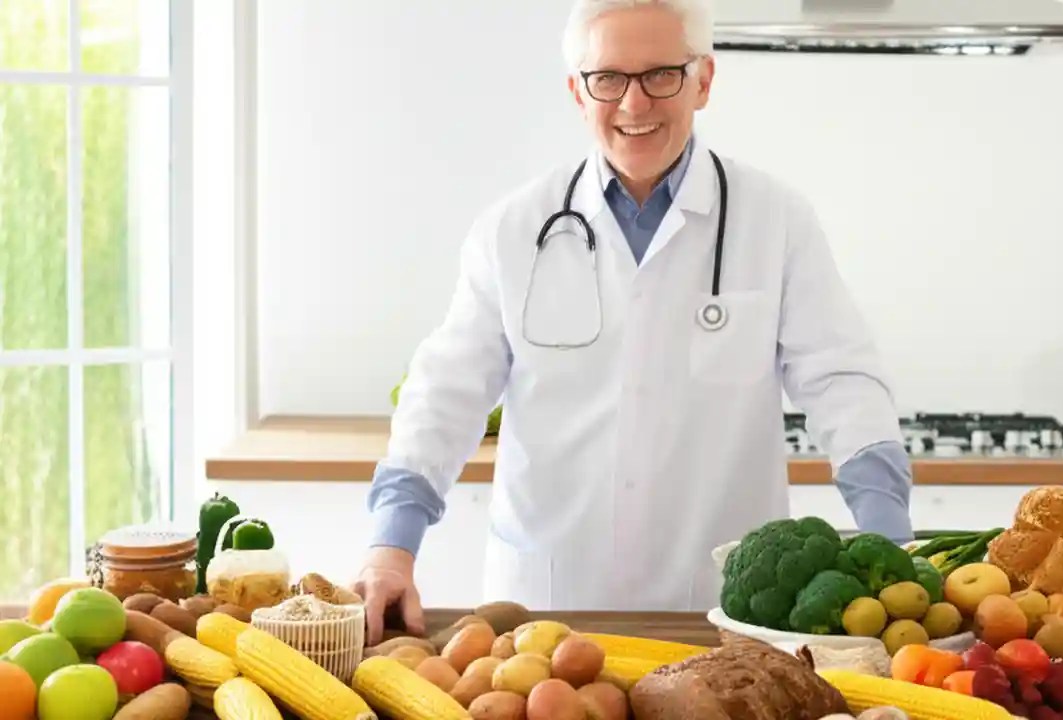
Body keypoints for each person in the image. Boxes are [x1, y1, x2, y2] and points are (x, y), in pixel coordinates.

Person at [354, 0, 914, 644]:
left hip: (721, 611)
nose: (634, 103)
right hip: (544, 610)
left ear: (703, 80)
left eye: (661, 76)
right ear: (577, 90)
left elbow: (842, 380)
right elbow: (444, 393)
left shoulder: (776, 220)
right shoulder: (513, 228)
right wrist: (391, 545)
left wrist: (890, 538)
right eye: (609, 78)